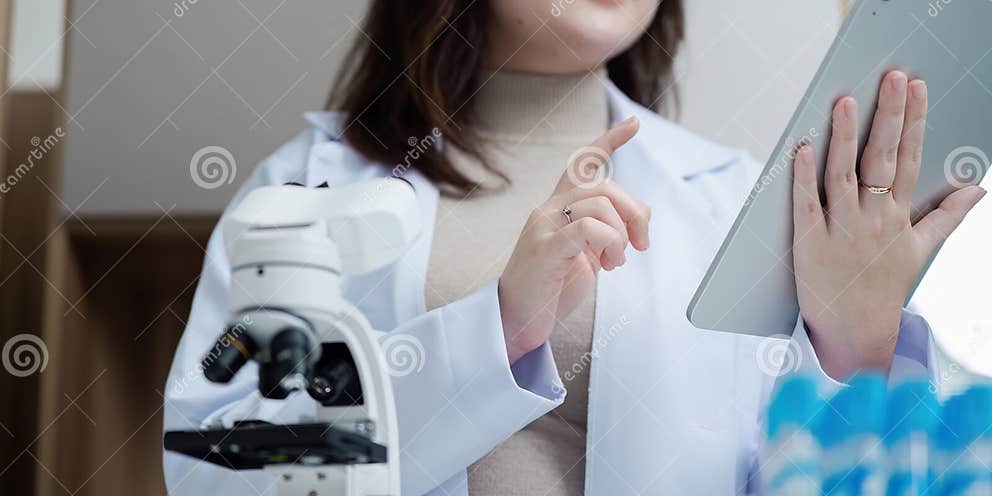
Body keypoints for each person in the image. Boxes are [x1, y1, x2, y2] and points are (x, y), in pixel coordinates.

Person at [162, 1, 985, 494]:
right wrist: (499, 330)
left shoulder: (735, 200)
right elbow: (215, 474)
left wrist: (861, 344)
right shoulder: (307, 189)